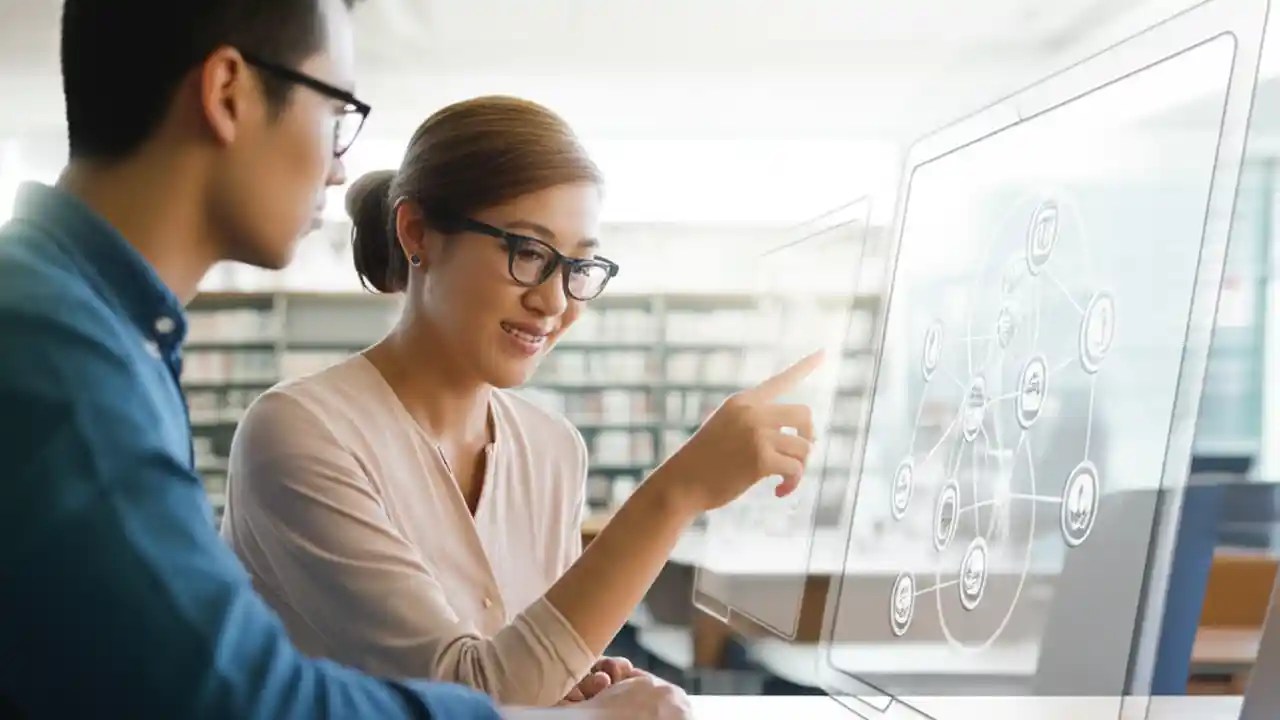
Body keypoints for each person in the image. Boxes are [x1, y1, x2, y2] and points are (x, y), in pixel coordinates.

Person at [0, 0, 759, 717]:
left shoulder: (103, 341)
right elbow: (237, 696)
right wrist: (678, 491)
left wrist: (558, 694)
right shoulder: (61, 361)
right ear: (228, 92)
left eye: (578, 266)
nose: (338, 169)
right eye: (334, 111)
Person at [219, 93, 823, 708]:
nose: (555, 301)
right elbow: (474, 696)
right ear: (416, 232)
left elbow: (523, 679)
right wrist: (678, 494)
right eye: (528, 253)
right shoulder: (299, 432)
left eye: (580, 266)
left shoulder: (553, 448)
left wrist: (568, 686)